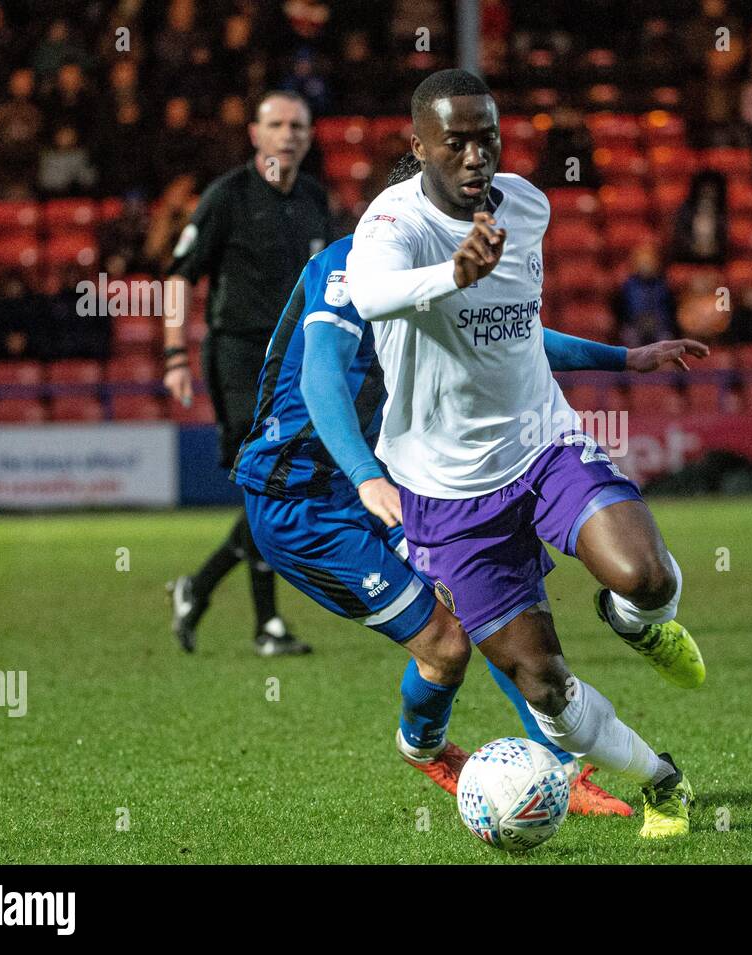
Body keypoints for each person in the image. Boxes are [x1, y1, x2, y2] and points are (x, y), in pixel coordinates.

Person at [235, 151, 703, 816]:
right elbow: (320, 379)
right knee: (447, 643)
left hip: (388, 477)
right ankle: (425, 749)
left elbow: (521, 340)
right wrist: (365, 476)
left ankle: (568, 768)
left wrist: (624, 359)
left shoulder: (446, 269)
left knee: (492, 612)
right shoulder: (347, 267)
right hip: (303, 501)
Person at [347, 70, 707, 837]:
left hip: (541, 442)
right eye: (457, 143)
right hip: (443, 492)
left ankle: (639, 620)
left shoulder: (529, 206)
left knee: (646, 575)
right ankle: (662, 780)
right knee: (544, 684)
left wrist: (624, 358)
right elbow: (370, 295)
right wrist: (454, 272)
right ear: (420, 148)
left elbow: (516, 332)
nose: (478, 157)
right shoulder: (392, 225)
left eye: (489, 138)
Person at [163, 90, 331, 656]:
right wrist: (174, 356)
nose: (288, 135)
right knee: (268, 482)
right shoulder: (227, 196)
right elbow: (179, 278)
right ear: (255, 135)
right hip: (237, 359)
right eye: (276, 125)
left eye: (298, 126)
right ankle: (267, 626)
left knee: (277, 487)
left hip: (296, 363)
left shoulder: (313, 200)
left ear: (309, 137)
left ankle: (201, 587)